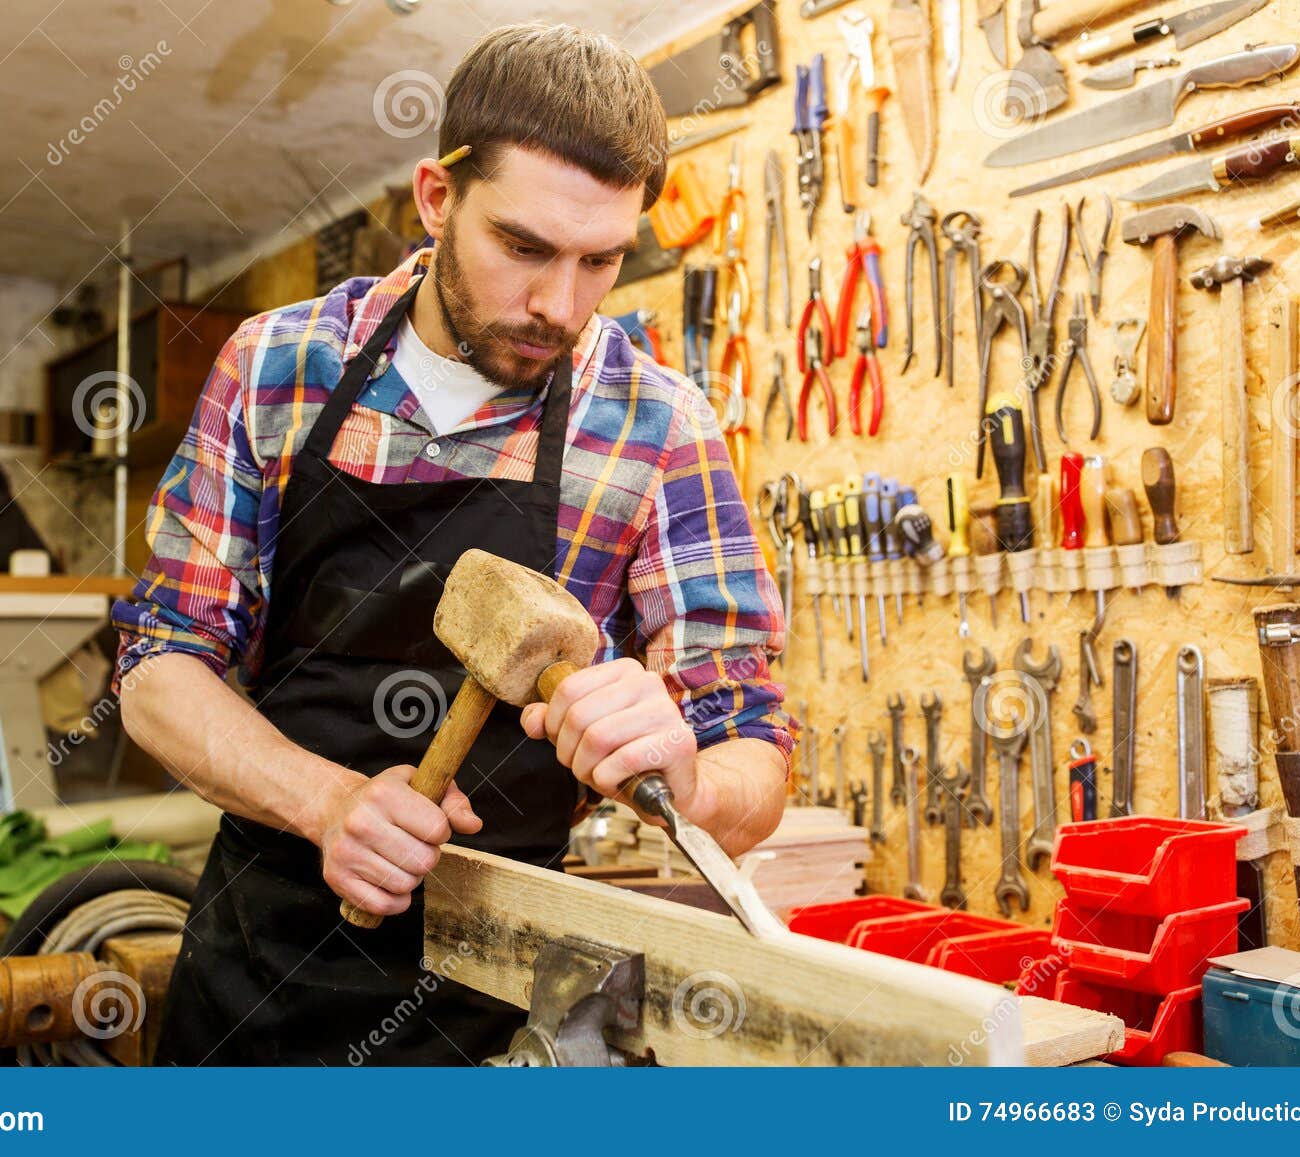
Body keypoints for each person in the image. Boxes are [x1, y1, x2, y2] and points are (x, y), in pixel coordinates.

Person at [114, 21, 796, 1066]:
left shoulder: (659, 425)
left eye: (600, 259)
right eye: (522, 247)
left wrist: (692, 784)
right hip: (259, 968)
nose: (558, 304)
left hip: (500, 1007)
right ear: (436, 200)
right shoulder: (279, 365)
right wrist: (330, 802)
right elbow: (159, 666)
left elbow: (749, 740)